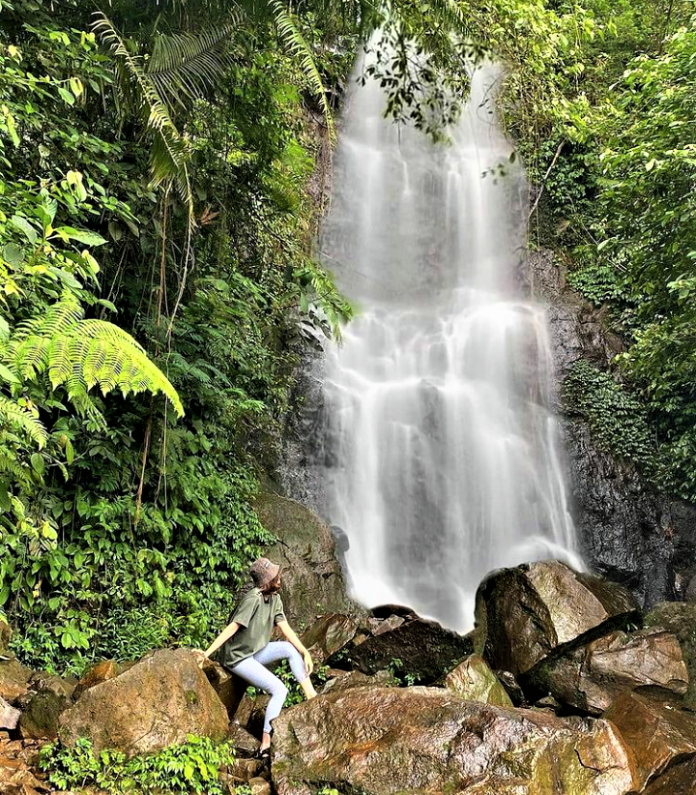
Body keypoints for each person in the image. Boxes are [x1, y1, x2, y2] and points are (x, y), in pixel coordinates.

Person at [194, 558, 317, 757]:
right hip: (237, 657)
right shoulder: (253, 599)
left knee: (288, 648)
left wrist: (305, 651)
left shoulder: (275, 599)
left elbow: (286, 630)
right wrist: (207, 654)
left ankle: (311, 696)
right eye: (277, 576)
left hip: (255, 650)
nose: (280, 578)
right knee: (279, 689)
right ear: (267, 580)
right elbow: (232, 627)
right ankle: (265, 744)